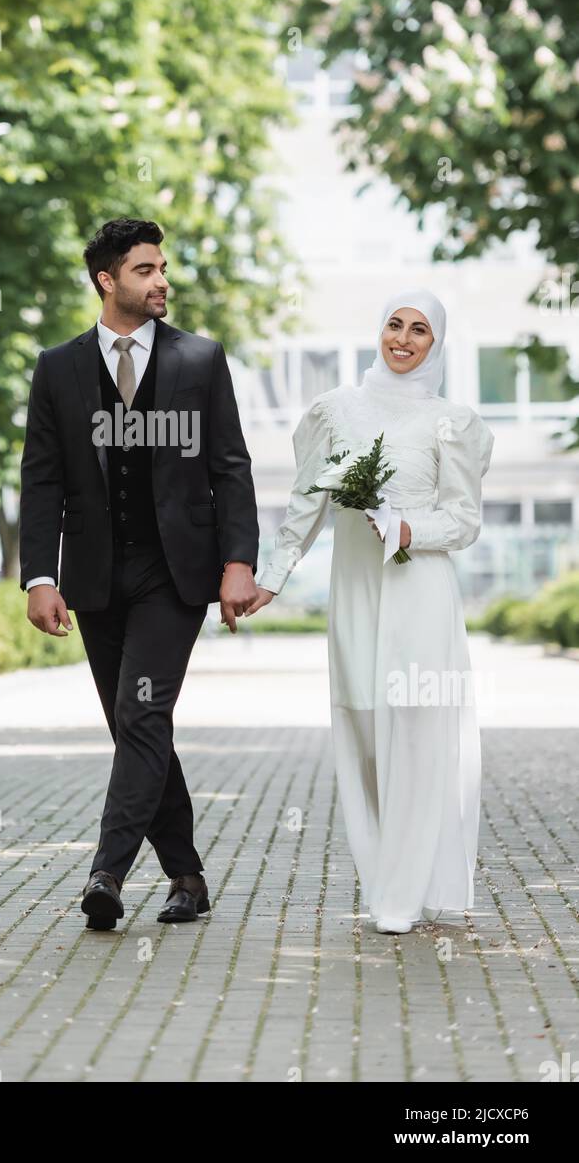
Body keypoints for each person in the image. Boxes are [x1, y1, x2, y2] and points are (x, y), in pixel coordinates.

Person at [19, 218, 259, 931]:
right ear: (107, 280)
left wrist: (237, 563)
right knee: (135, 729)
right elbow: (41, 481)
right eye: (145, 270)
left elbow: (229, 467)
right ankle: (185, 875)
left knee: (142, 714)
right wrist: (38, 576)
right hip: (94, 577)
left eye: (162, 268)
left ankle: (108, 874)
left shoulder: (199, 360)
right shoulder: (58, 368)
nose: (161, 281)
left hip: (174, 574)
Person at [246, 290, 495, 933]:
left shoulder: (453, 422)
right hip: (355, 587)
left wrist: (407, 527)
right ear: (378, 331)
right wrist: (268, 579)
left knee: (413, 730)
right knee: (362, 733)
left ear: (436, 344)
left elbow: (464, 520)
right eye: (394, 324)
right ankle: (384, 875)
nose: (403, 339)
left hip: (420, 591)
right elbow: (305, 504)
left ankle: (404, 895)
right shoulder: (334, 411)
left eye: (420, 331)